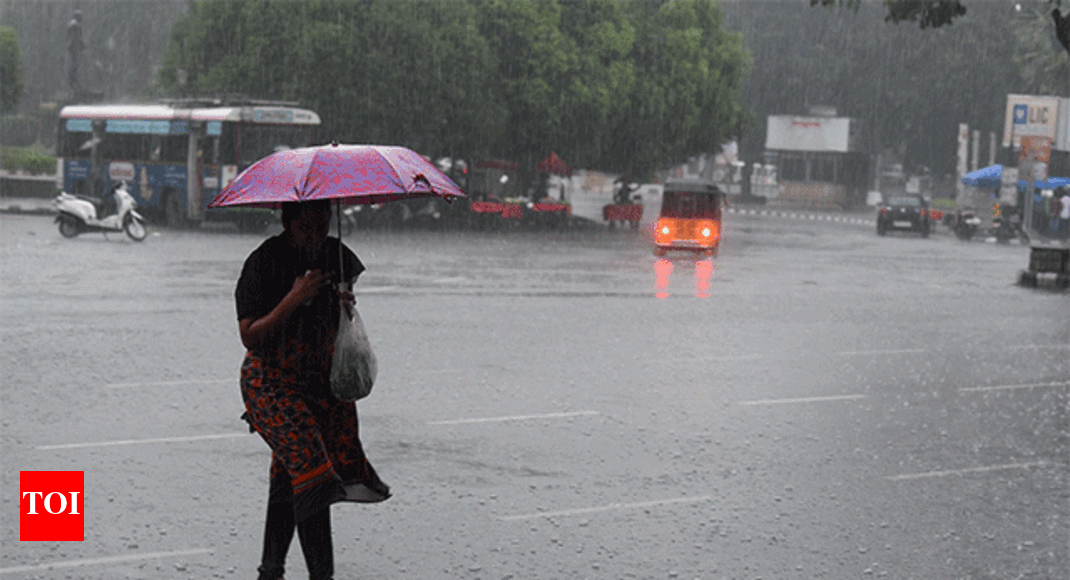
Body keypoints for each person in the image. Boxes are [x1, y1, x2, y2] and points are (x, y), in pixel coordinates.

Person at [234, 200, 389, 580]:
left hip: (320, 385)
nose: (316, 236)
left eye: (323, 226)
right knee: (314, 476)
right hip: (270, 383)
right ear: (287, 222)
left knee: (290, 475)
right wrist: (294, 298)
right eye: (307, 227)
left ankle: (270, 571)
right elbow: (250, 336)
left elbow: (337, 324)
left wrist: (344, 306)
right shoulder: (263, 262)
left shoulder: (337, 257)